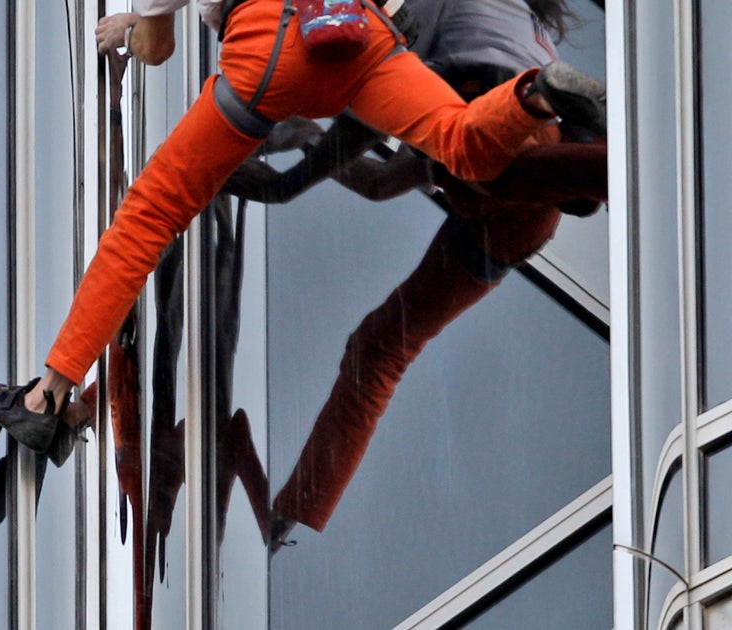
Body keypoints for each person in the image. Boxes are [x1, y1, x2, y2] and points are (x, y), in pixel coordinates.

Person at [0, 0, 605, 462]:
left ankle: (49, 393)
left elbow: (157, 49)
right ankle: (535, 95)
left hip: (267, 53)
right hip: (358, 40)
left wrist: (133, 26)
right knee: (462, 143)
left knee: (149, 217)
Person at [216, 0, 607, 551]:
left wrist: (286, 183)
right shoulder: (512, 27)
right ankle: (291, 515)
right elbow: (381, 182)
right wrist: (305, 137)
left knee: (485, 163)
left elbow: (361, 122)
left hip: (496, 120)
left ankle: (577, 136)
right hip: (516, 204)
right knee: (379, 347)